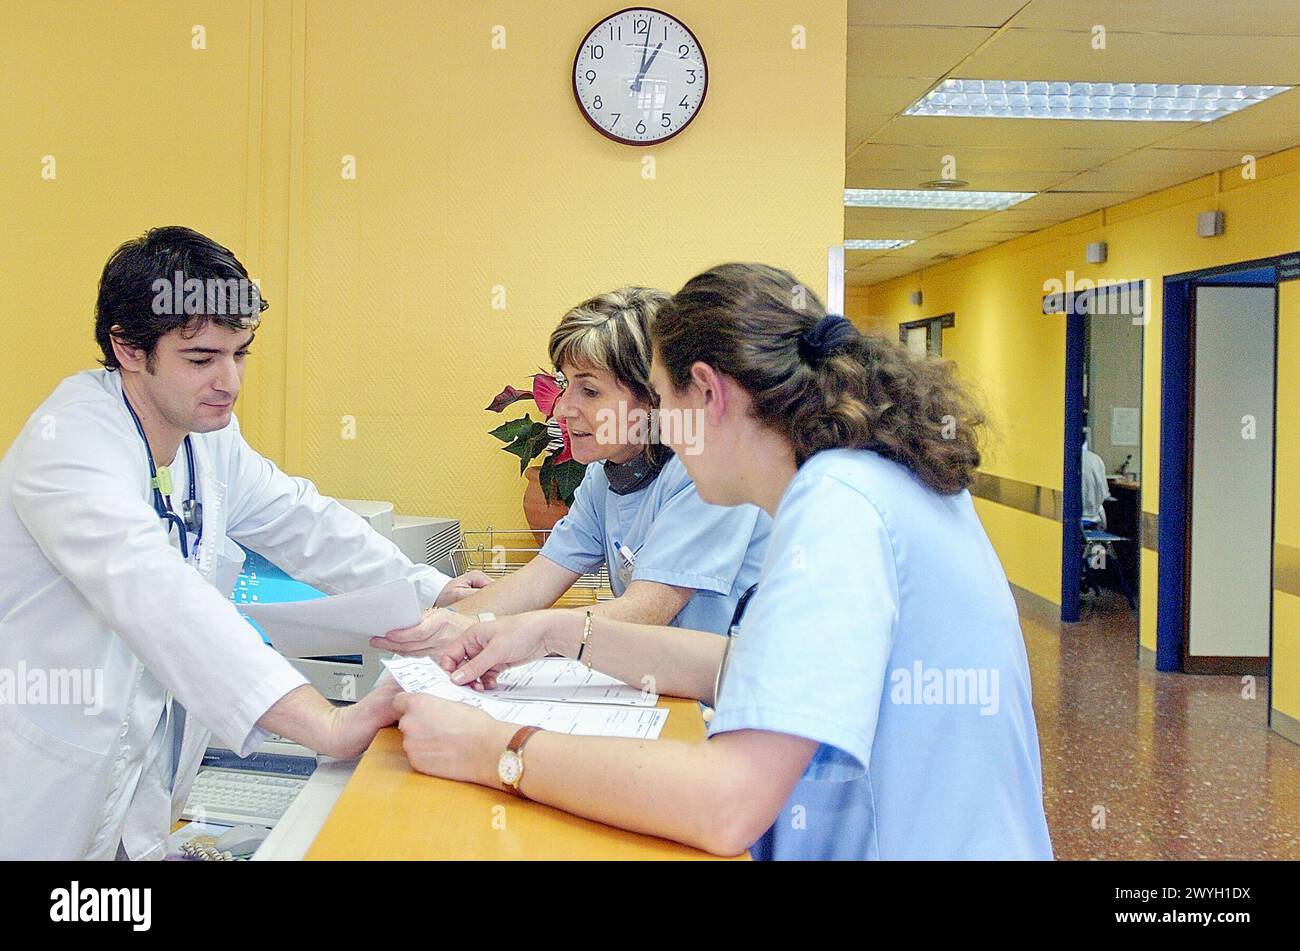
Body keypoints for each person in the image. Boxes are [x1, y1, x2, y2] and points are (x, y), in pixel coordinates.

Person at [392, 263, 1054, 860]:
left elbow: (725, 805)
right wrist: (555, 632)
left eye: (661, 399)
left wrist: (498, 750)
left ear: (704, 392)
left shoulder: (840, 509)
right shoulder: (869, 480)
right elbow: (755, 670)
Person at [0, 226, 487, 860]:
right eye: (201, 358)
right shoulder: (67, 447)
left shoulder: (205, 438)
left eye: (240, 353)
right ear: (126, 347)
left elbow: (303, 520)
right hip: (46, 779)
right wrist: (326, 724)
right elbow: (161, 597)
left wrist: (434, 589)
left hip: (144, 777)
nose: (228, 380)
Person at [372, 286, 769, 659]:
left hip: (736, 701)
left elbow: (646, 611)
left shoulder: (707, 473)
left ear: (655, 397)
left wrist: (507, 633)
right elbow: (541, 578)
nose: (562, 409)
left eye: (589, 391)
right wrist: (436, 627)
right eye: (565, 385)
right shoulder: (606, 475)